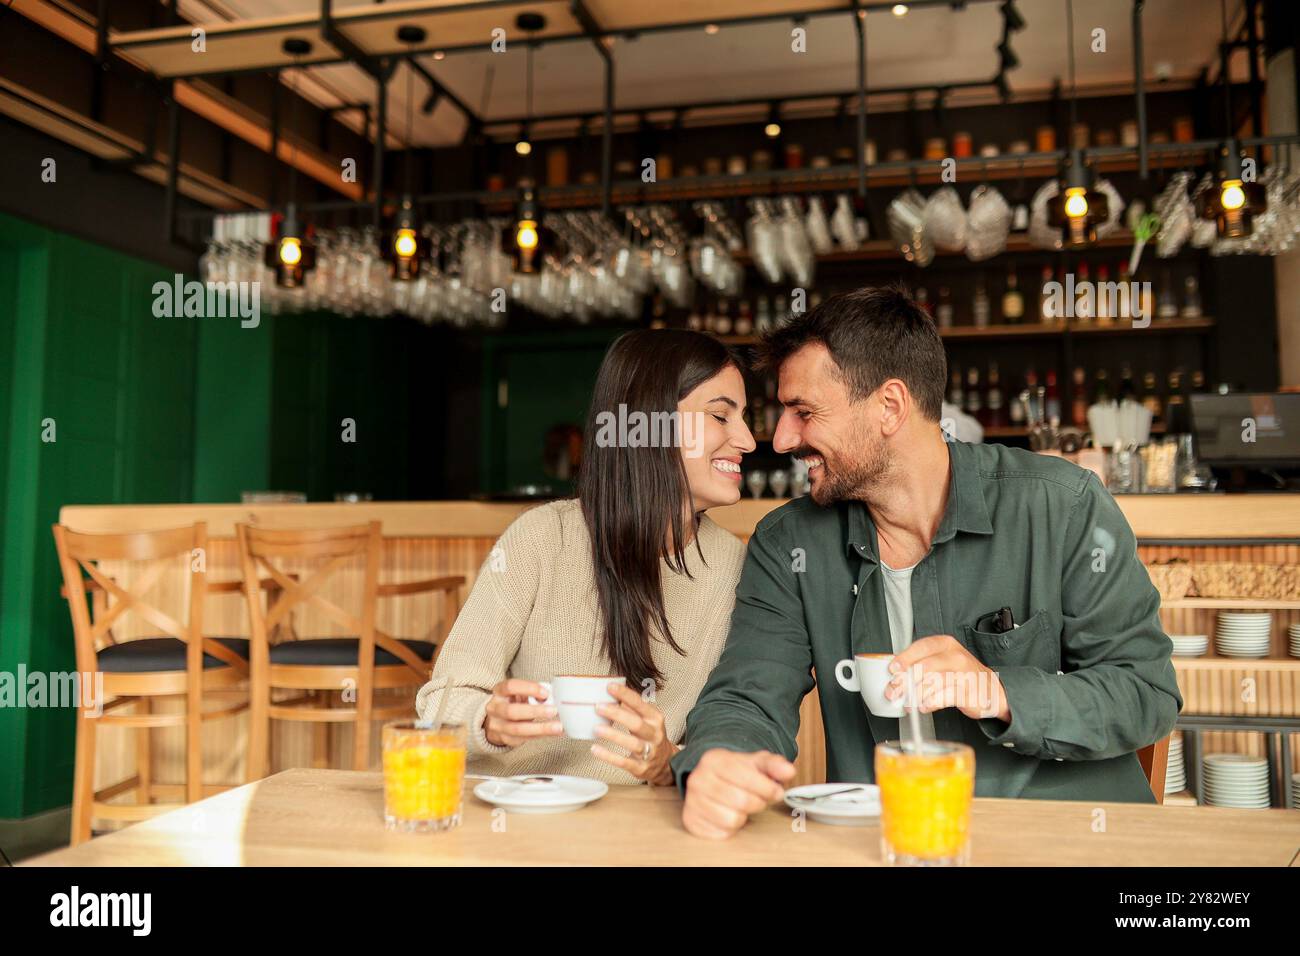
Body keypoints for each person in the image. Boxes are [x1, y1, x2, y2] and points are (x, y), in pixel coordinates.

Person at [672, 286, 1182, 839]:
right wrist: (716, 761)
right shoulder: (788, 542)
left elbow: (1145, 693)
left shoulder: (1063, 505)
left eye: (804, 412)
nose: (781, 437)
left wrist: (997, 691)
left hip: (1066, 839)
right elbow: (748, 696)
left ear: (890, 406)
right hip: (890, 843)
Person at [416, 329, 755, 785]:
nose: (749, 440)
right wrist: (486, 720)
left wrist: (670, 763)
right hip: (517, 821)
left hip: (637, 836)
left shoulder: (733, 566)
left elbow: (732, 732)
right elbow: (440, 701)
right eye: (721, 416)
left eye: (745, 418)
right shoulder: (541, 539)